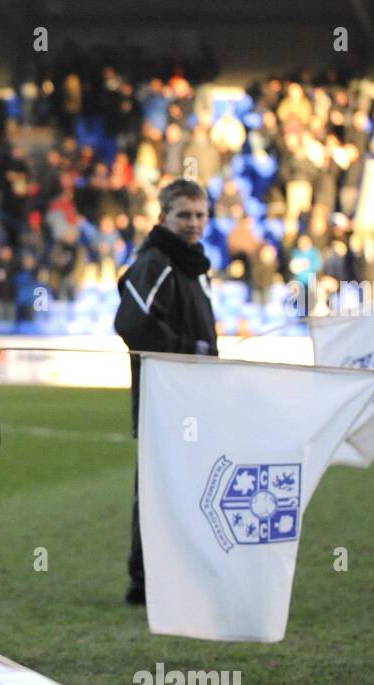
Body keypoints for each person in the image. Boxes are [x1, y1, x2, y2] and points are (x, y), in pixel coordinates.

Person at [113, 178, 218, 606]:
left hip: (190, 401)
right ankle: (146, 583)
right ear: (164, 218)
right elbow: (131, 324)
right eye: (184, 216)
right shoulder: (155, 262)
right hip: (163, 401)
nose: (193, 224)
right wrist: (187, 351)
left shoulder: (191, 266)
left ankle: (170, 577)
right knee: (160, 491)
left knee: (183, 489)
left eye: (200, 215)